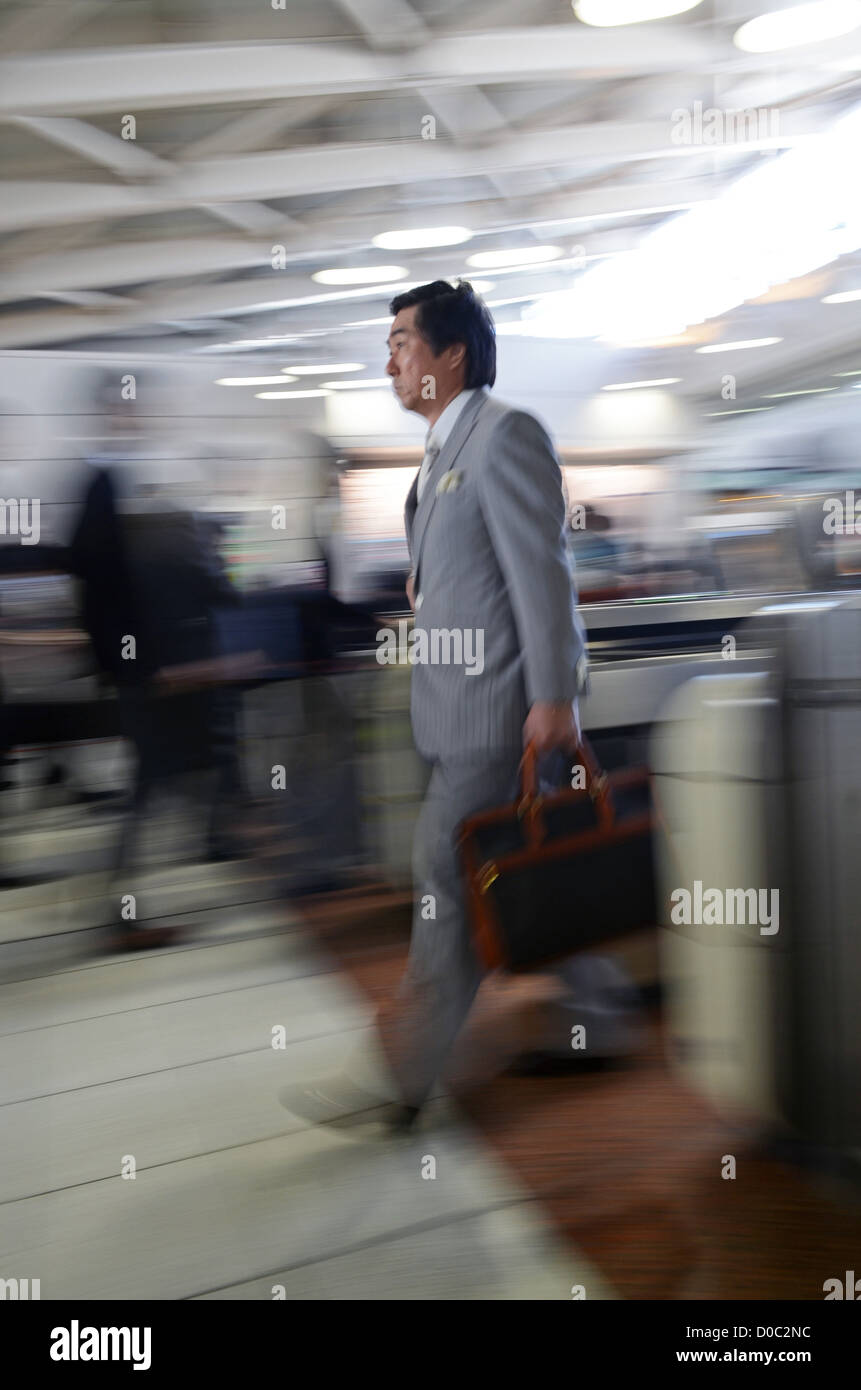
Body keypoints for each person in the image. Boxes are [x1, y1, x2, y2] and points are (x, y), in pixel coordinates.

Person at [280, 279, 588, 1130]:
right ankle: (593, 1019)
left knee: (442, 882)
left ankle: (398, 1079)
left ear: (452, 355)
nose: (390, 359)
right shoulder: (441, 454)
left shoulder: (502, 435)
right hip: (457, 711)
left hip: (497, 715)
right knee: (535, 870)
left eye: (403, 341)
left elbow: (544, 574)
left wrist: (553, 699)